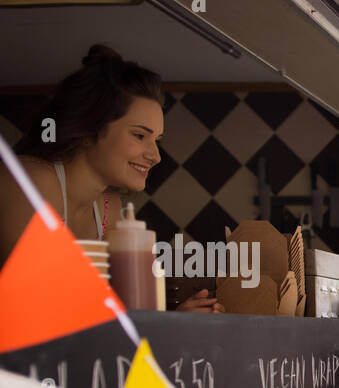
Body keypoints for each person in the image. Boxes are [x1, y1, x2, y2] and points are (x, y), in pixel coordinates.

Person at [0, 44, 221, 313]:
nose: (155, 156)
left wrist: (176, 320)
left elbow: (114, 319)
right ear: (87, 129)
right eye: (140, 136)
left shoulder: (108, 208)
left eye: (157, 140)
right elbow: (34, 308)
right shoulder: (31, 182)